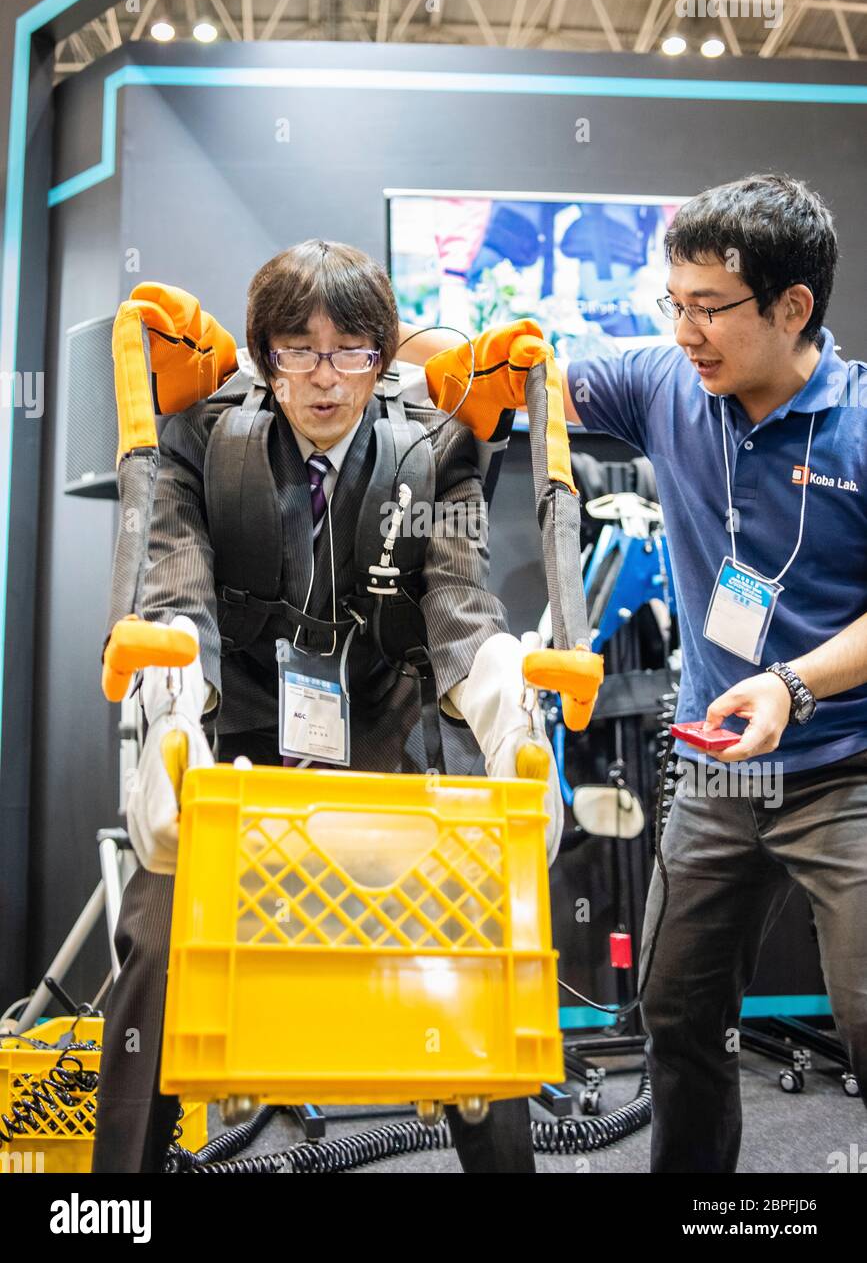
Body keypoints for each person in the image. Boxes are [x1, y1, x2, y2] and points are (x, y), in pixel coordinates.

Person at [402, 174, 867, 1172]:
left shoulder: (862, 423)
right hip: (717, 768)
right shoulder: (665, 381)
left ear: (793, 307)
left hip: (846, 769)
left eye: (711, 307)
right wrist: (418, 345)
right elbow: (520, 378)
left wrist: (793, 686)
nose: (687, 329)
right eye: (676, 302)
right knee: (677, 1012)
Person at [91, 239, 563, 1175]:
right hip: (228, 758)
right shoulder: (194, 437)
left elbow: (459, 603)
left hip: (382, 747)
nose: (323, 377)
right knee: (151, 943)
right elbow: (174, 594)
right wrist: (171, 719)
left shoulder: (435, 445)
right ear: (262, 355)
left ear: (383, 356)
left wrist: (511, 714)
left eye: (350, 350)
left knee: (477, 940)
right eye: (295, 350)